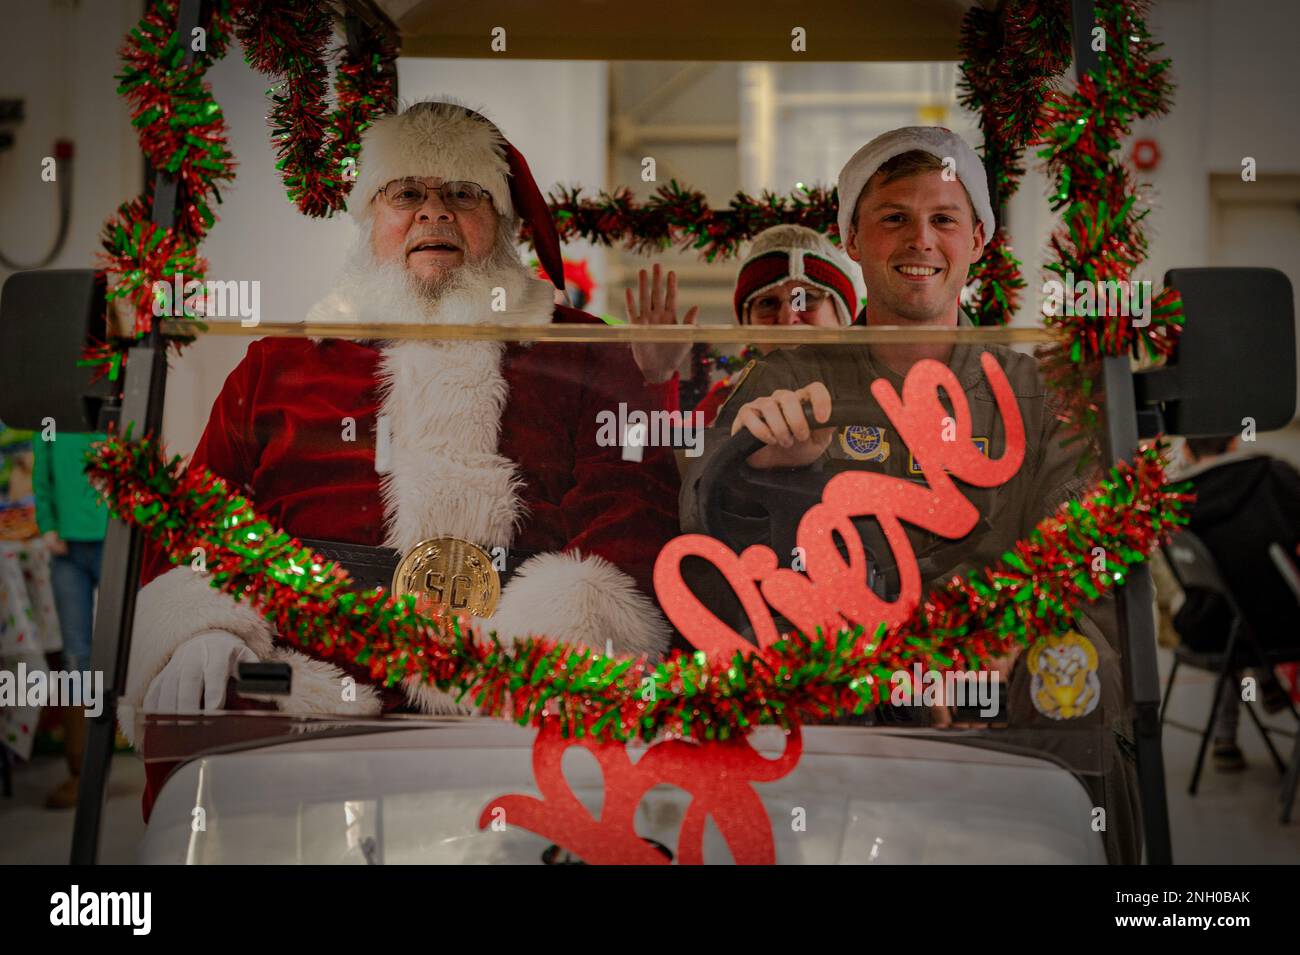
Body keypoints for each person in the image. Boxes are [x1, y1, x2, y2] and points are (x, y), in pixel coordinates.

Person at [123, 101, 682, 814]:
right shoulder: (279, 365)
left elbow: (631, 515)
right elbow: (195, 520)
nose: (433, 214)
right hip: (301, 713)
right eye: (407, 193)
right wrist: (202, 625)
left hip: (518, 723)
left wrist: (530, 661)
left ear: (503, 222)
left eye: (462, 193)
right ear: (371, 218)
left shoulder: (581, 352)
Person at [682, 126, 1141, 862]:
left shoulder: (1036, 389)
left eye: (944, 218)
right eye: (894, 216)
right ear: (853, 240)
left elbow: (1083, 537)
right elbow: (704, 529)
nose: (919, 238)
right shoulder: (788, 377)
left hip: (998, 667)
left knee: (1080, 675)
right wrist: (770, 468)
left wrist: (1008, 625)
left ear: (980, 239)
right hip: (840, 665)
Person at [627, 225, 861, 424]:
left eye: (806, 299)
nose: (788, 318)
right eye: (767, 303)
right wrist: (657, 377)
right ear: (747, 323)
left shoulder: (874, 390)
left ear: (843, 316)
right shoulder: (727, 400)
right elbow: (667, 468)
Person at [1171, 435, 1300, 771]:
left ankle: (1225, 736)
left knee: (1231, 610)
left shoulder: (1173, 499)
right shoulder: (1272, 474)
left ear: (1186, 451)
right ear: (1233, 444)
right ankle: (1267, 677)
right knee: (1251, 599)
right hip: (1277, 625)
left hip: (1207, 627)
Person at [32, 430, 109, 808]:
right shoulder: (49, 416)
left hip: (116, 540)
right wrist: (47, 524)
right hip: (66, 549)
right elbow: (41, 471)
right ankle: (80, 771)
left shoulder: (114, 402)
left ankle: (154, 764)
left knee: (137, 646)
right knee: (76, 657)